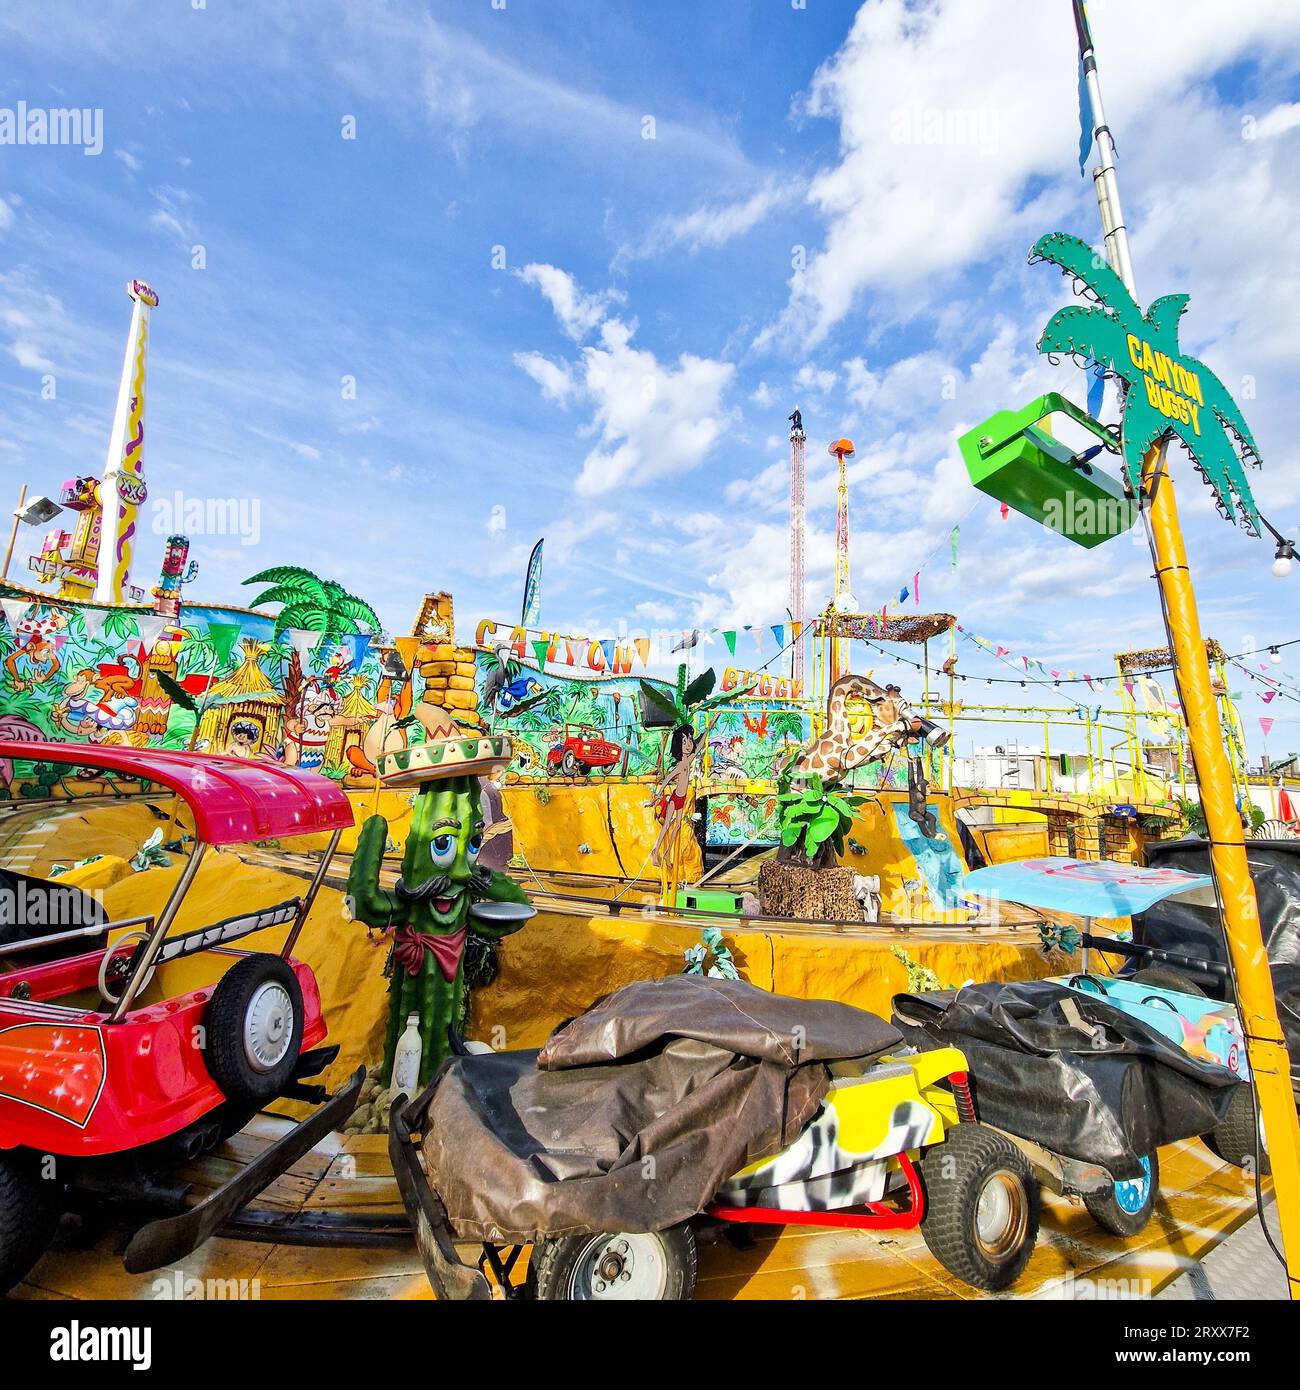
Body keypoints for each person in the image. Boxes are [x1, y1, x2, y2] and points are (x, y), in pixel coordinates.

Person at [651, 724, 698, 868]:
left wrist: (709, 728)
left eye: (690, 740)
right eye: (684, 741)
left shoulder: (689, 761)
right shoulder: (681, 765)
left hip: (682, 799)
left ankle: (666, 854)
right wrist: (658, 794)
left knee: (677, 826)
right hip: (675, 797)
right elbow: (667, 779)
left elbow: (700, 745)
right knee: (666, 826)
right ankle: (655, 852)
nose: (688, 745)